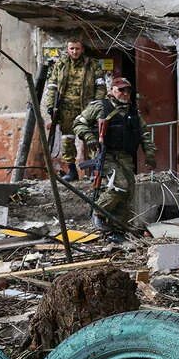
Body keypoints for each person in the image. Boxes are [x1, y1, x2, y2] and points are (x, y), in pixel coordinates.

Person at [72, 77, 156, 242]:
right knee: (119, 185)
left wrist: (150, 153)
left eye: (128, 90)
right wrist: (89, 137)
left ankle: (116, 230)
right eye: (121, 90)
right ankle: (98, 212)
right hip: (105, 154)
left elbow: (144, 133)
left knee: (128, 191)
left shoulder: (133, 111)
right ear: (112, 90)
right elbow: (78, 123)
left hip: (125, 156)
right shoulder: (100, 106)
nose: (125, 93)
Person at [42, 37, 106, 181]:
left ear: (82, 49)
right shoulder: (60, 64)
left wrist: (96, 106)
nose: (74, 51)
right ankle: (72, 171)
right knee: (67, 140)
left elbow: (101, 87)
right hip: (65, 109)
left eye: (77, 48)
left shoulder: (93, 65)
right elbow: (52, 86)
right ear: (67, 49)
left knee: (90, 139)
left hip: (87, 109)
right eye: (72, 48)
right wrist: (50, 106)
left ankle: (93, 173)